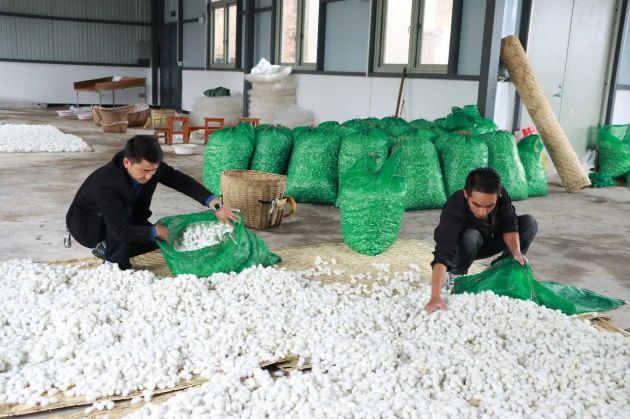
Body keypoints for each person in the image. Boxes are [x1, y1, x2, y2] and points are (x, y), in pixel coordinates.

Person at [66, 135, 239, 270]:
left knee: (160, 240)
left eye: (153, 171)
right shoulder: (107, 185)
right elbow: (120, 230)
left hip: (123, 216)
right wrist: (152, 230)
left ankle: (109, 247)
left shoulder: (151, 168)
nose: (149, 176)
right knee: (132, 238)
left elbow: (181, 181)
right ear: (127, 162)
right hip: (89, 224)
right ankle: (113, 264)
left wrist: (215, 204)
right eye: (144, 171)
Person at [425, 168, 538, 313]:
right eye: (476, 205)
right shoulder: (454, 206)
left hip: (490, 240)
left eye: (489, 206)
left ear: (497, 196)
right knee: (471, 235)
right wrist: (435, 297)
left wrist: (516, 251)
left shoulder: (502, 196)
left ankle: (503, 271)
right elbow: (443, 253)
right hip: (463, 246)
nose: (482, 212)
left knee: (529, 222)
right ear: (466, 194)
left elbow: (509, 225)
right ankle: (456, 275)